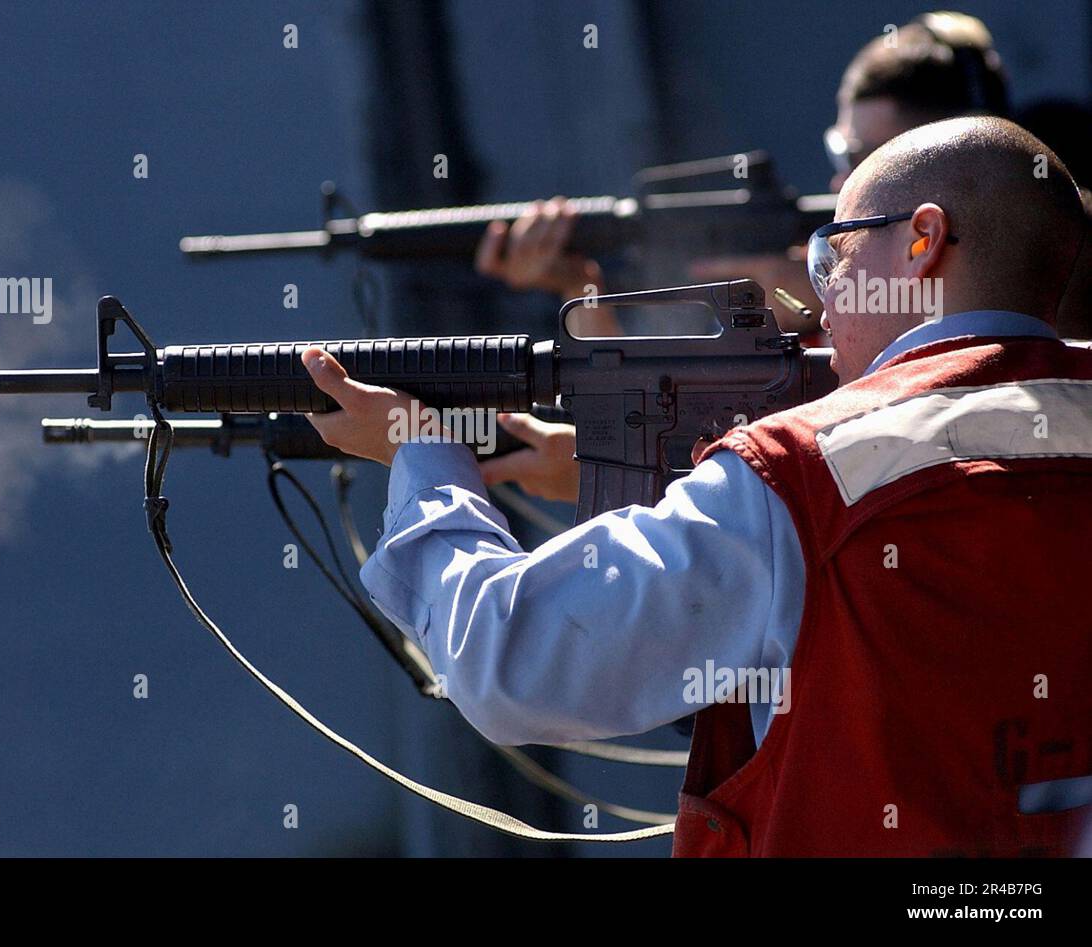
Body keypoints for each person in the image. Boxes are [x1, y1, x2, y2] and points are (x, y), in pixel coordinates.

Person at [299, 117, 1092, 856]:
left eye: (834, 254)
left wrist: (421, 455)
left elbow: (507, 658)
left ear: (923, 241)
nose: (817, 296)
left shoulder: (801, 473)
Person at [475, 12, 1017, 499]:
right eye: (843, 152)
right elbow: (658, 419)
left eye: (869, 159)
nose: (842, 182)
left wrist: (822, 302)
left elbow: (808, 488)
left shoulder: (1006, 305)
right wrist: (580, 288)